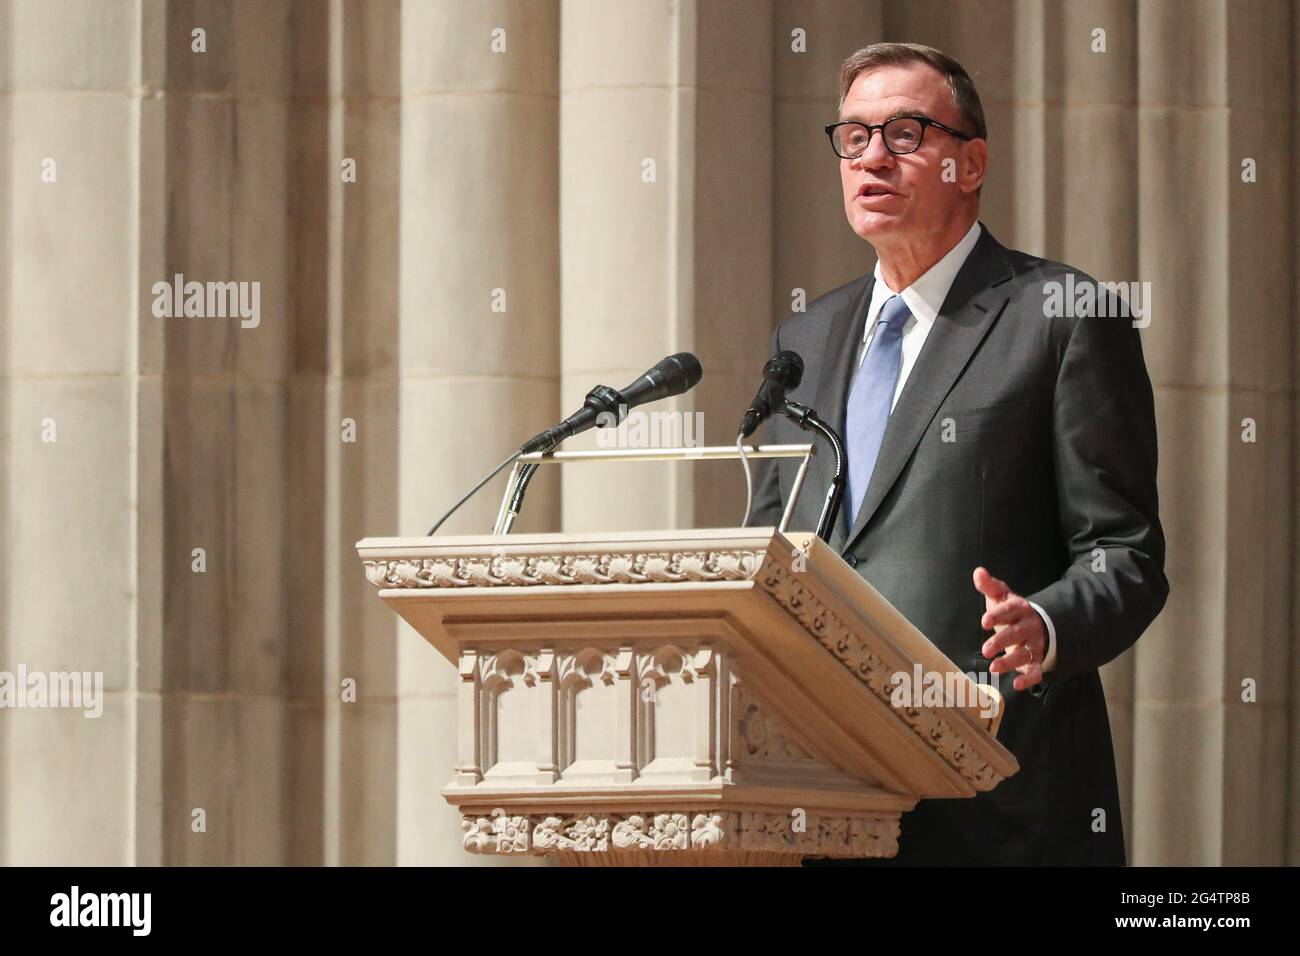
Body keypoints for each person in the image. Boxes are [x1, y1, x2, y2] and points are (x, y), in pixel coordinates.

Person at [750, 42, 1168, 865]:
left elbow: (1126, 556)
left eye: (906, 133)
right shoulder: (803, 340)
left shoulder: (1061, 316)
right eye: (854, 135)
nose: (872, 155)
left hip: (998, 801)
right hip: (819, 798)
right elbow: (774, 556)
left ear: (970, 163)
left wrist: (1045, 625)